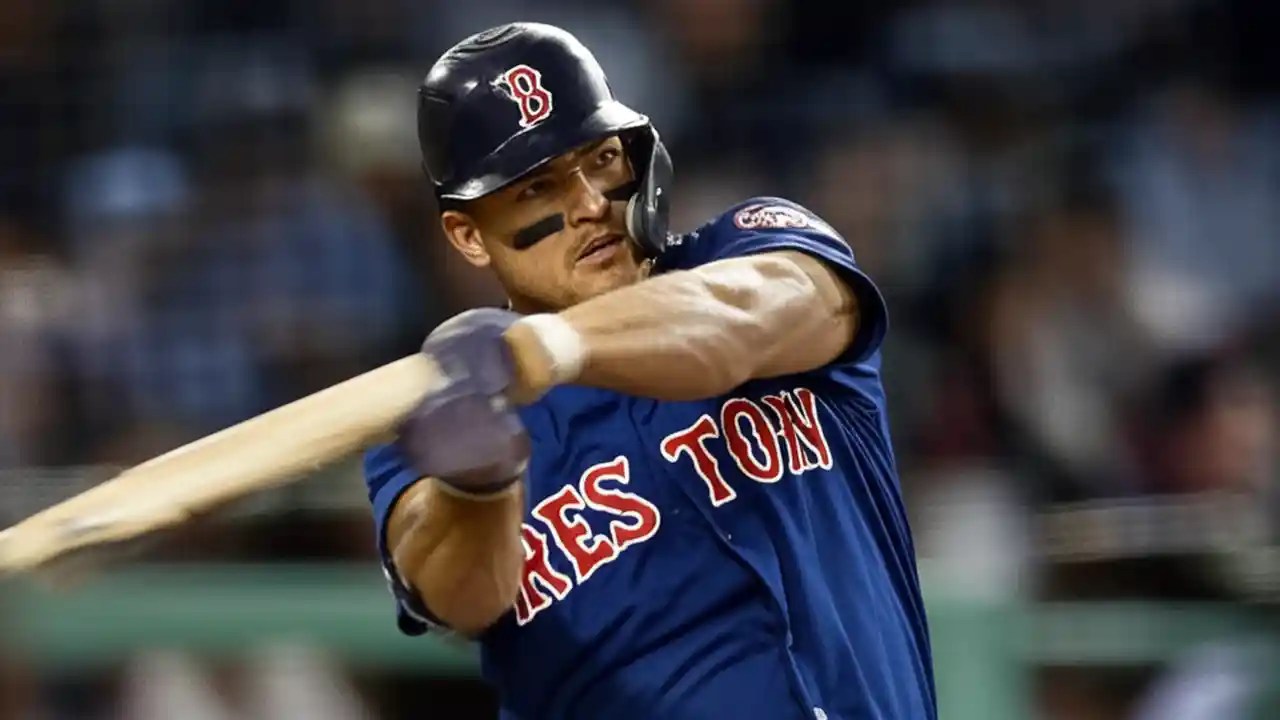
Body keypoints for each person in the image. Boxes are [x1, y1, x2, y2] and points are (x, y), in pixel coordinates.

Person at [363, 22, 937, 720]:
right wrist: (477, 488)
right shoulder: (425, 414)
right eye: (537, 187)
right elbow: (460, 598)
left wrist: (546, 350)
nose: (587, 204)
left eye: (600, 159)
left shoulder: (754, 247)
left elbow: (738, 323)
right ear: (467, 236)